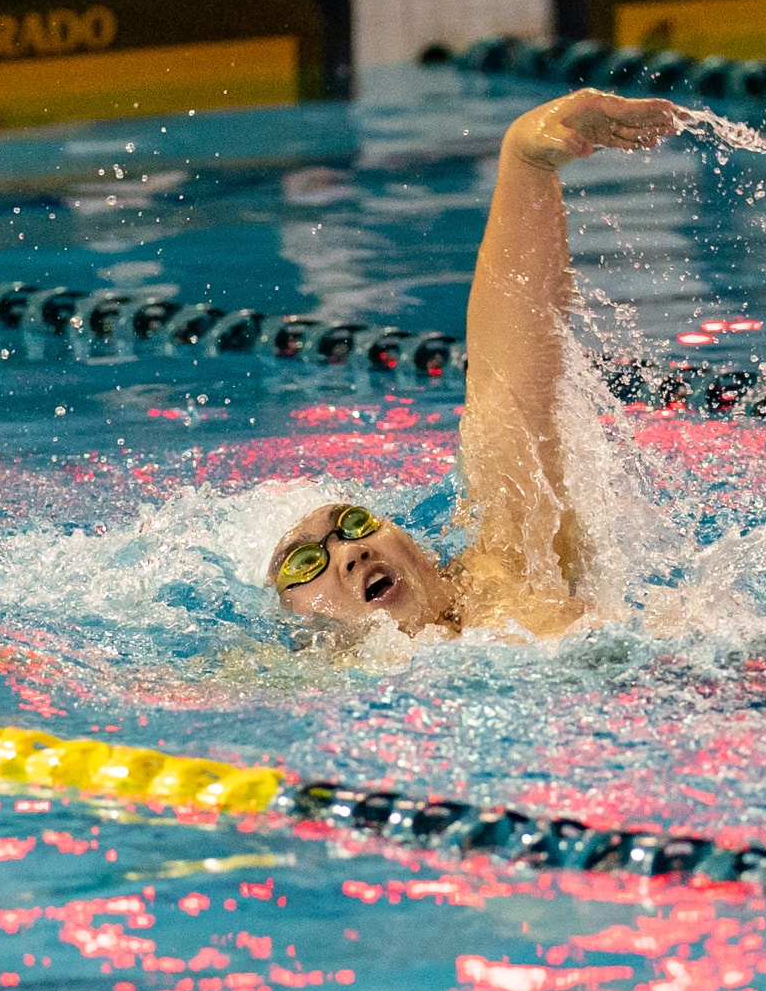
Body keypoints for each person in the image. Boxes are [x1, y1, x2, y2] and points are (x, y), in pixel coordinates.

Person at [267, 89, 688, 640]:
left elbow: (508, 393)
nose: (351, 551)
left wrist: (525, 162)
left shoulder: (510, 571)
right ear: (304, 632)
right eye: (306, 565)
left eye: (354, 522)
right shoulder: (315, 679)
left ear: (417, 549)